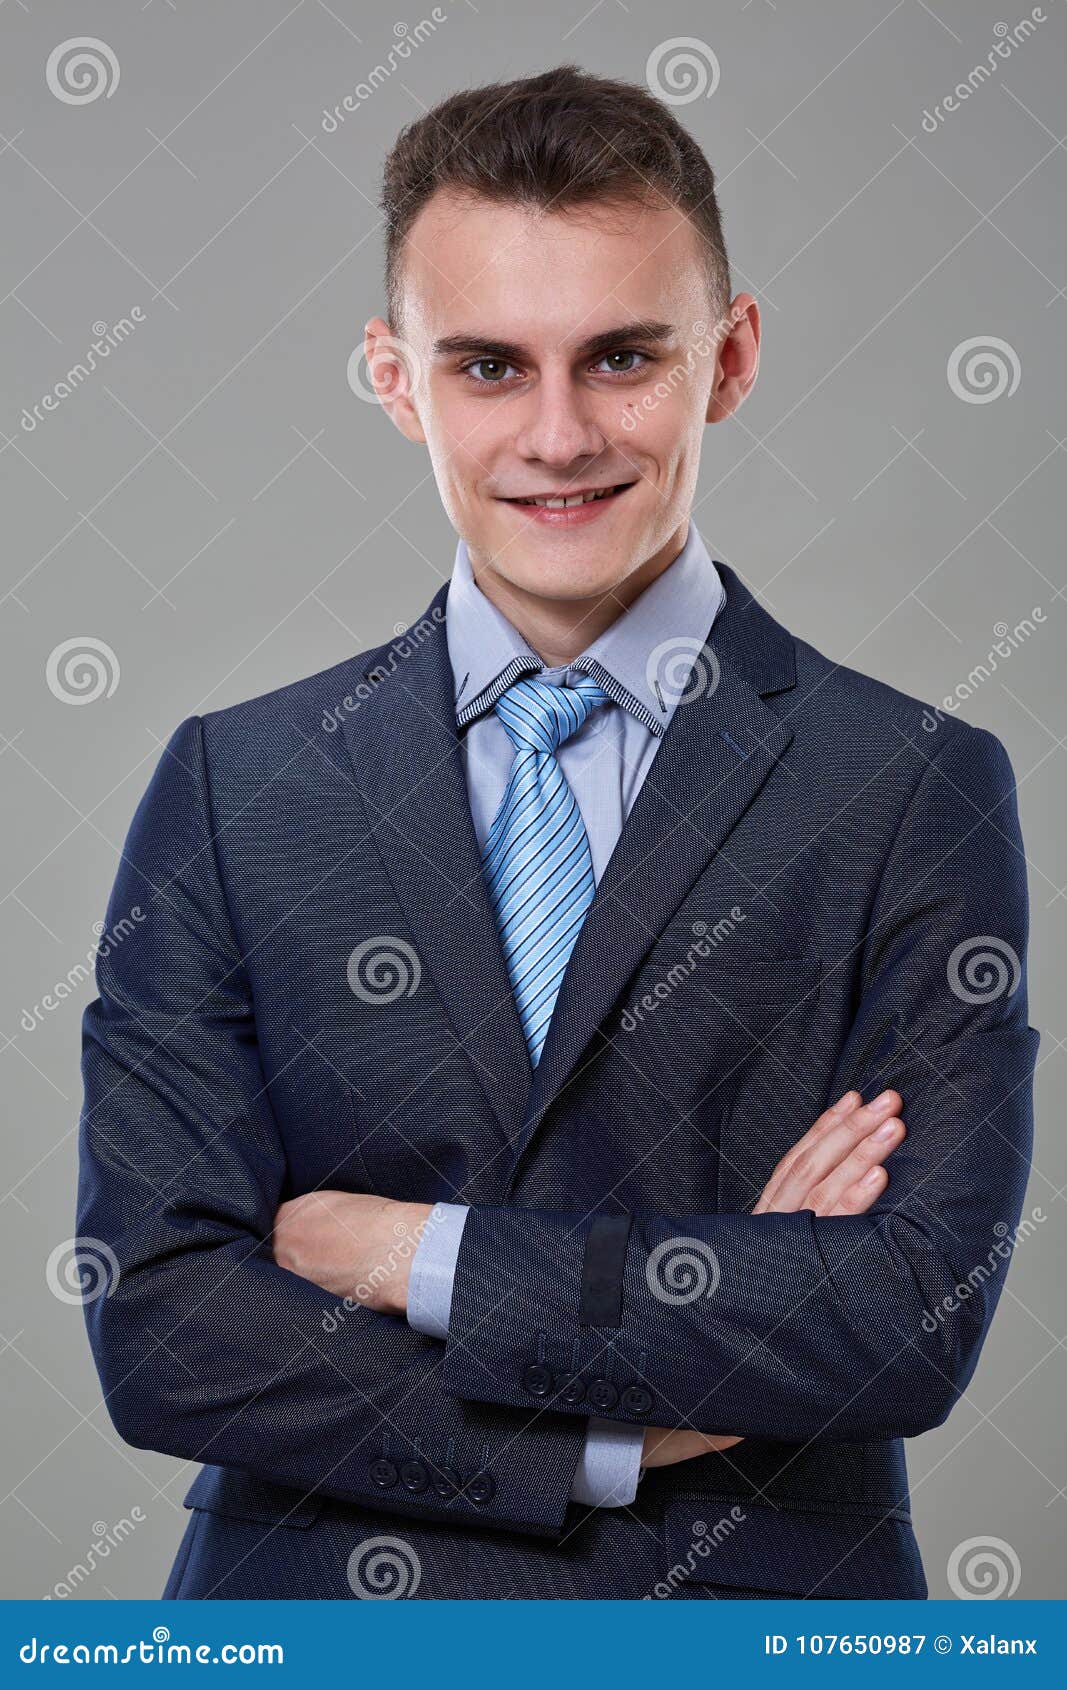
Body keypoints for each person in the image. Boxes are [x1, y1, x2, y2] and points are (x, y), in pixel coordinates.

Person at [77, 65, 1038, 1601]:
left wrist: (410, 1257)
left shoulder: (912, 784)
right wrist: (634, 1423)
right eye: (487, 367)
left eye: (622, 357)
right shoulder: (234, 785)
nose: (560, 433)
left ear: (729, 359)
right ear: (397, 381)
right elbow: (169, 1327)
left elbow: (907, 1309)